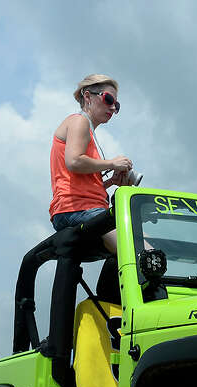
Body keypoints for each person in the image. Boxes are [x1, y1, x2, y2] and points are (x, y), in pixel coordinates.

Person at [50, 74, 133, 254]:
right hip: (78, 209)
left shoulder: (86, 131)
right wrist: (112, 163)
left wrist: (110, 182)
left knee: (138, 247)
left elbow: (79, 181)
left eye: (116, 105)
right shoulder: (78, 121)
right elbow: (74, 161)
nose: (112, 107)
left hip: (82, 208)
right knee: (139, 252)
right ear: (87, 96)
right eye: (108, 99)